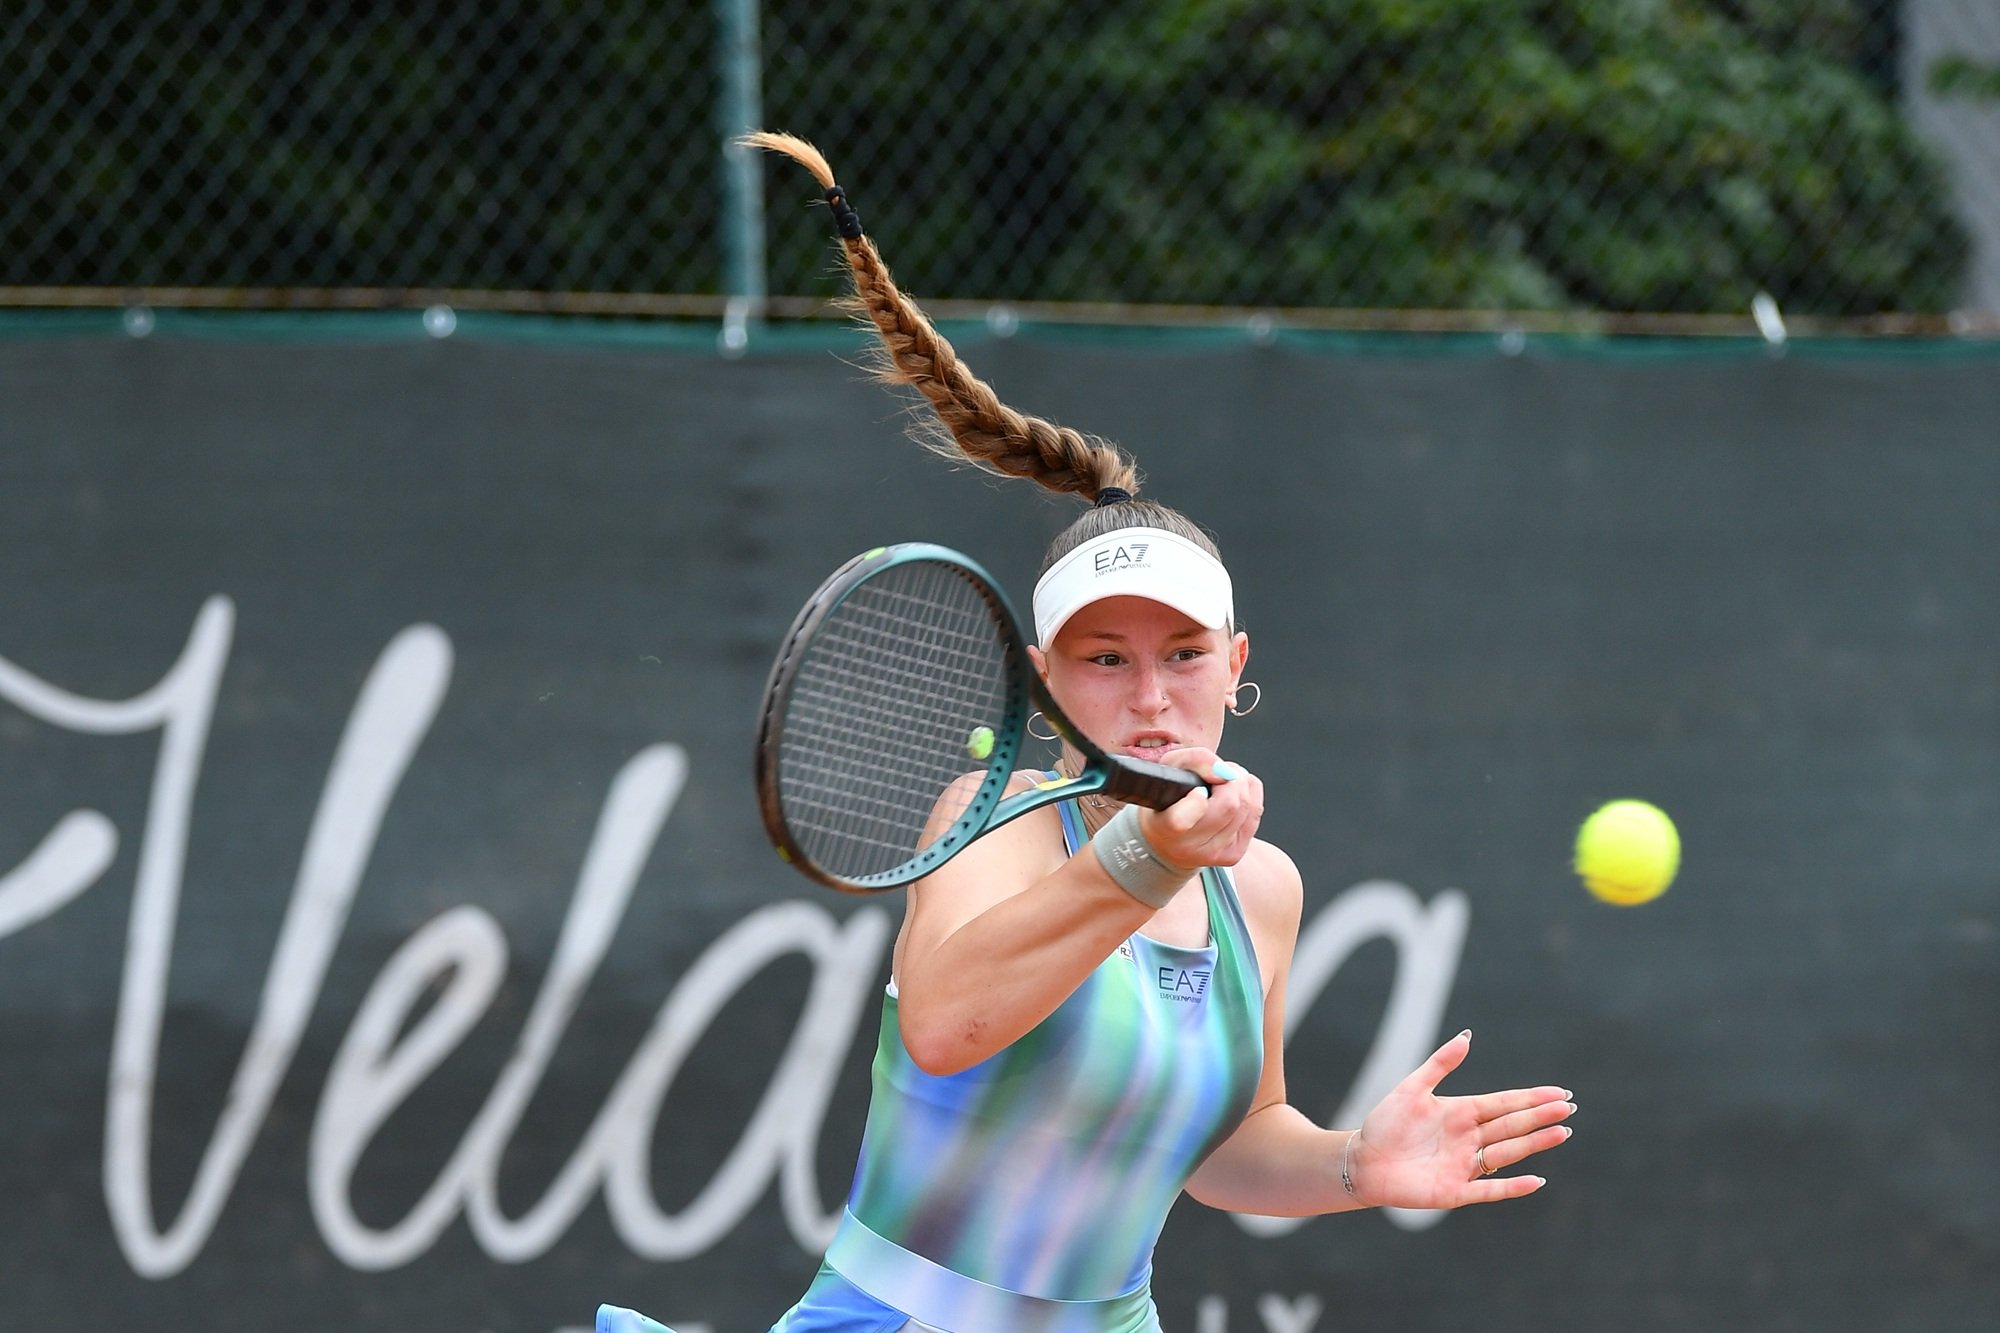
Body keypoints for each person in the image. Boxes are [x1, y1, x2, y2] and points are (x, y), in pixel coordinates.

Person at [597, 133, 1575, 1333]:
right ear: (1044, 684)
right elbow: (951, 1024)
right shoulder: (989, 823)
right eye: (1105, 660)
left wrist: (1348, 1165)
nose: (1150, 694)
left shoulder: (1257, 887)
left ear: (1237, 667)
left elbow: (1223, 1148)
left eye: (1183, 655)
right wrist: (1148, 855)